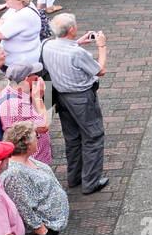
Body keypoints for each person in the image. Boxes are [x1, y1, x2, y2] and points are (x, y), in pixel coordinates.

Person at [40, 14, 108, 195]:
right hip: (82, 98)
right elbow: (100, 70)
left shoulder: (46, 45)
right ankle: (91, 182)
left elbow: (64, 50)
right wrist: (101, 46)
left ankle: (74, 177)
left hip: (61, 97)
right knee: (93, 136)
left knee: (72, 138)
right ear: (71, 30)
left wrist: (77, 42)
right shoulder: (77, 53)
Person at [0, 121, 67, 235]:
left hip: (52, 224)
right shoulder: (14, 174)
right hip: (44, 229)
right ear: (28, 144)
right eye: (36, 136)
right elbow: (23, 206)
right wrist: (41, 230)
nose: (38, 139)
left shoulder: (27, 159)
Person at [0, 63, 50, 164]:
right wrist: (38, 97)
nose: (38, 76)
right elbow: (44, 126)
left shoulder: (8, 89)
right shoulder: (18, 104)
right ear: (26, 80)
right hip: (33, 157)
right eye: (34, 74)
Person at [0, 0, 44, 67]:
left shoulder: (23, 15)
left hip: (19, 62)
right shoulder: (22, 6)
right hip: (21, 56)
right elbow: (2, 18)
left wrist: (1, 24)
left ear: (20, 0)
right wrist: (2, 23)